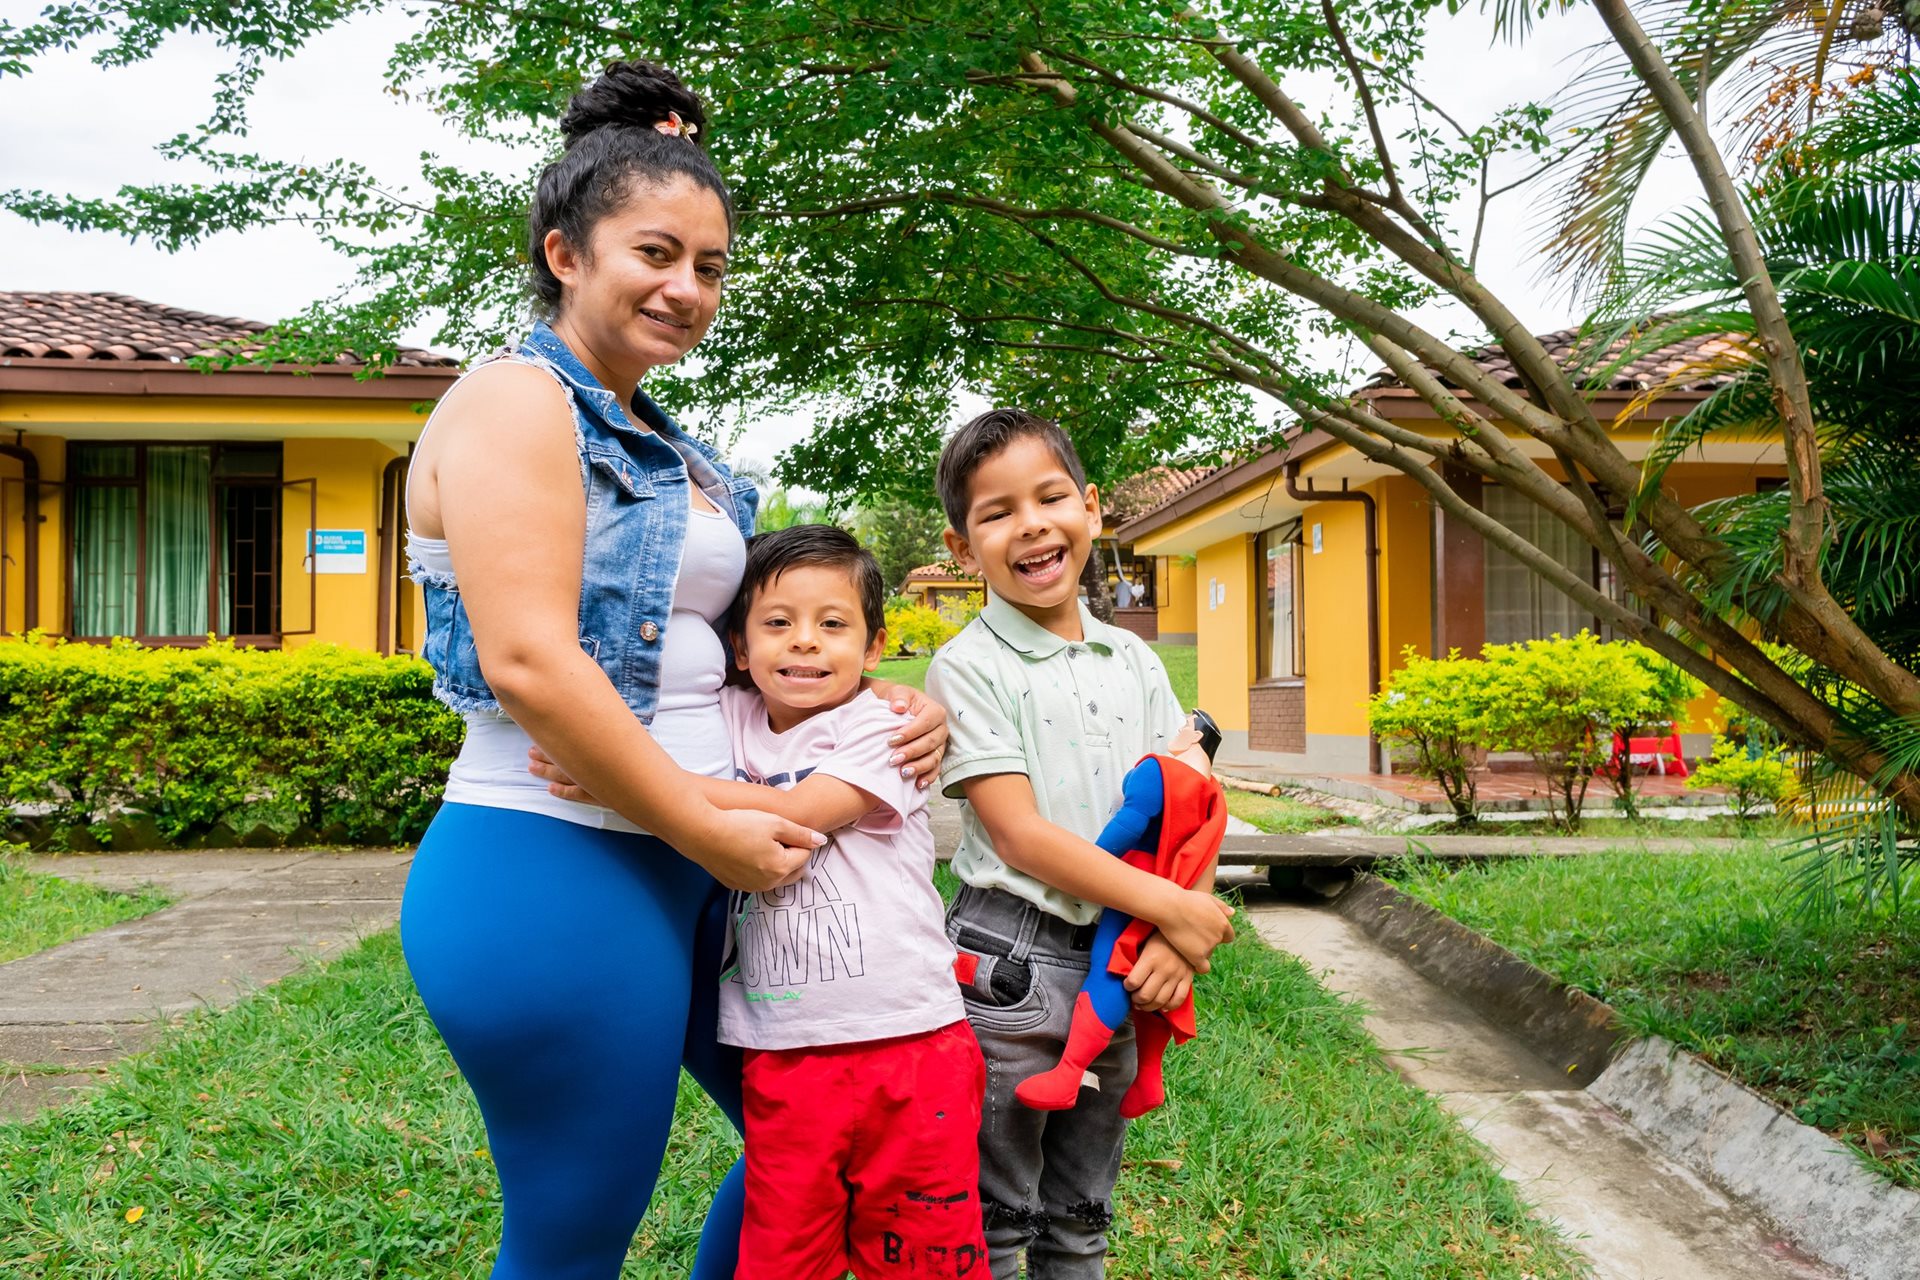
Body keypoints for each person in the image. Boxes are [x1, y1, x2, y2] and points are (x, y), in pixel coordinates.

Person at [398, 61, 946, 1280]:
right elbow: (531, 661)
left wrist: (882, 702)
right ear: (565, 253)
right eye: (655, 253)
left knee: (831, 1136)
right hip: (556, 861)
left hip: (693, 861)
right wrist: (700, 823)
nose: (687, 288)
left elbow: (731, 652)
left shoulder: (673, 448)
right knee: (572, 1235)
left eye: (710, 266)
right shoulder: (515, 402)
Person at [540, 524, 987, 1278]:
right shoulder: (730, 717)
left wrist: (624, 783)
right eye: (778, 622)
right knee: (784, 1255)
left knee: (925, 1256)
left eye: (833, 624)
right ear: (739, 649)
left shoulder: (887, 728)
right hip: (782, 1055)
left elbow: (800, 810)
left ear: (874, 647)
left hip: (912, 1043)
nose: (805, 640)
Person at [925, 409, 1237, 1279]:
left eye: (1050, 497)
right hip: (1008, 969)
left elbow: (1190, 803)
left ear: (1091, 508)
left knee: (1081, 1219)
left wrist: (1176, 929)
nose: (1031, 524)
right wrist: (1171, 907)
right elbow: (1020, 835)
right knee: (995, 1221)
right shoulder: (968, 666)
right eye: (997, 513)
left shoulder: (1135, 661)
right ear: (962, 548)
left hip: (1122, 960)